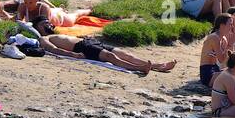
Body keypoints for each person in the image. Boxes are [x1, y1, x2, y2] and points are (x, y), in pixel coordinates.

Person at [39, 34, 176, 75]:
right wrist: (72, 55)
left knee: (126, 54)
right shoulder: (44, 38)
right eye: (44, 23)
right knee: (110, 57)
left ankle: (158, 65)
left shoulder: (57, 32)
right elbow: (53, 50)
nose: (47, 25)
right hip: (81, 47)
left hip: (89, 42)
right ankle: (139, 68)